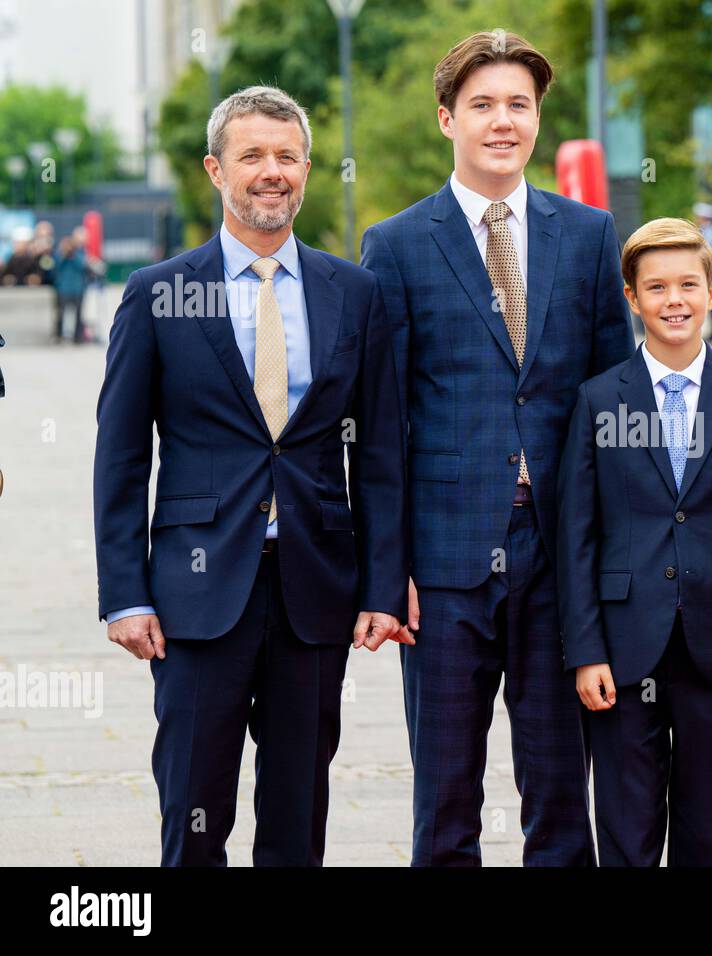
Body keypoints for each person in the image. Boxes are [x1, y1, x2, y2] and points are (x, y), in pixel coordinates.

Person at [93, 86, 408, 866]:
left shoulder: (355, 294)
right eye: (252, 156)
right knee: (195, 808)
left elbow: (377, 454)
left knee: (299, 812)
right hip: (196, 594)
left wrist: (379, 587)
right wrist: (125, 593)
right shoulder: (158, 294)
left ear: (307, 169)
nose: (272, 172)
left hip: (315, 588)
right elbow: (122, 457)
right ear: (215, 169)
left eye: (287, 156)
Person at [360, 30, 633, 867]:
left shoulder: (586, 236)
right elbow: (378, 424)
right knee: (445, 794)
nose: (502, 121)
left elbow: (614, 404)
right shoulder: (396, 244)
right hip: (442, 565)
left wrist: (615, 559)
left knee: (559, 789)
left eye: (519, 105)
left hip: (558, 557)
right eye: (483, 105)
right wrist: (386, 570)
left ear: (539, 119)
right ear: (447, 119)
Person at [556, 218, 712, 866]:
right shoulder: (599, 399)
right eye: (656, 287)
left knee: (710, 832)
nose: (674, 300)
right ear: (632, 298)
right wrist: (585, 650)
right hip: (622, 647)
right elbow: (576, 535)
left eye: (688, 285)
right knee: (627, 831)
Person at [692, 202, 712, 342]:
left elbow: (709, 251)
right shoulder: (707, 230)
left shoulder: (710, 231)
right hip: (710, 266)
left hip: (711, 267)